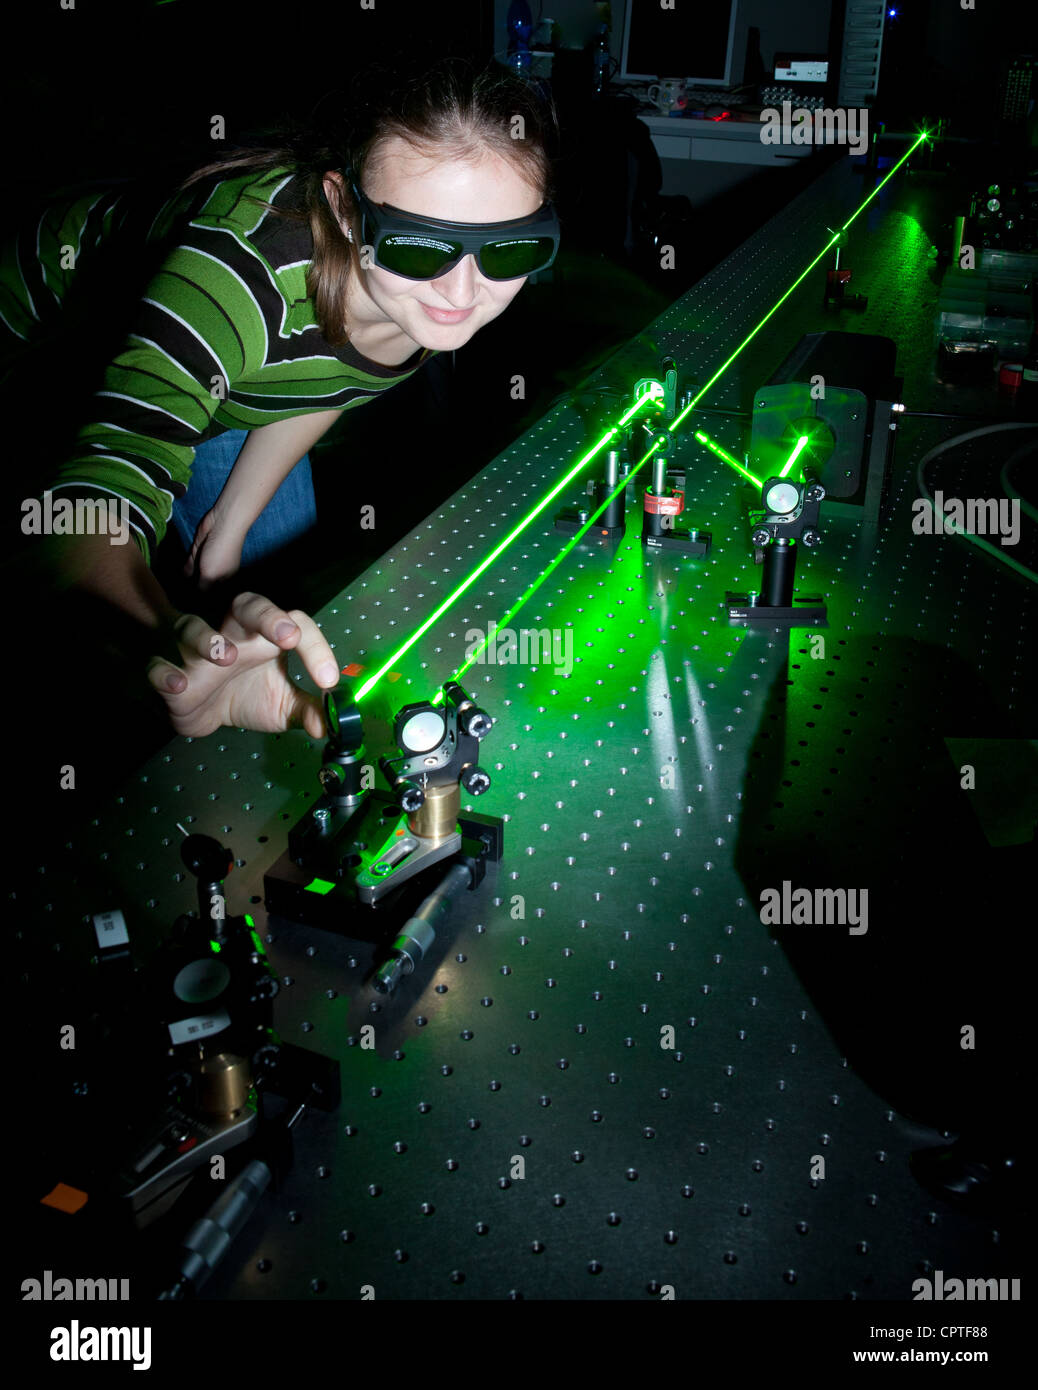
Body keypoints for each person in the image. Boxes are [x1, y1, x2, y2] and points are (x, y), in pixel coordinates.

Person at [2, 57, 559, 740]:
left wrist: (231, 520)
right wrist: (175, 648)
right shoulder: (242, 277)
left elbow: (332, 371)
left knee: (269, 576)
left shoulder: (415, 295)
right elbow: (98, 490)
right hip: (50, 317)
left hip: (245, 358)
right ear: (343, 207)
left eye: (509, 249)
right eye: (419, 247)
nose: (464, 292)